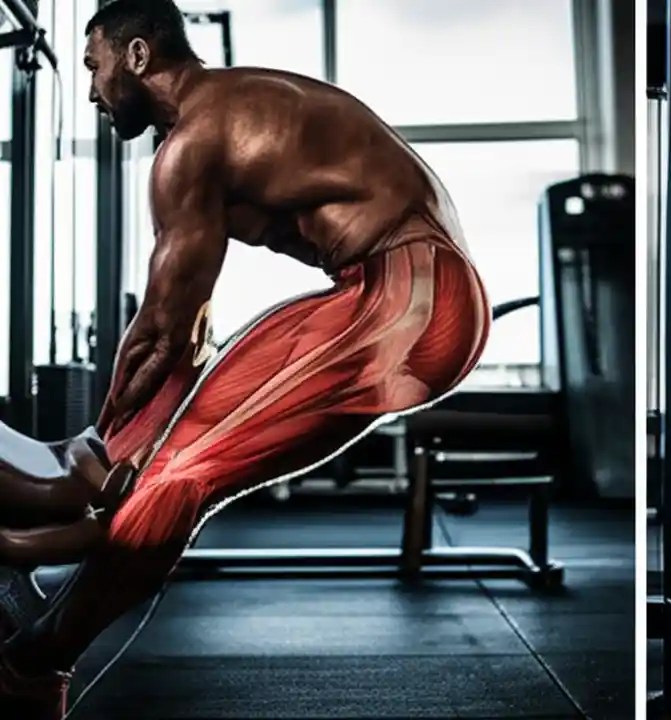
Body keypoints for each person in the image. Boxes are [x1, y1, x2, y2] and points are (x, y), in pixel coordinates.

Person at [0, 0, 491, 714]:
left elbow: (161, 330)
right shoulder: (239, 103)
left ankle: (30, 666)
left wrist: (108, 440)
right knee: (169, 466)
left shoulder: (193, 142)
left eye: (93, 67)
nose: (90, 93)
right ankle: (37, 600)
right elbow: (188, 337)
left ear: (137, 56)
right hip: (418, 292)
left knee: (178, 481)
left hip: (406, 300)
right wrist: (113, 453)